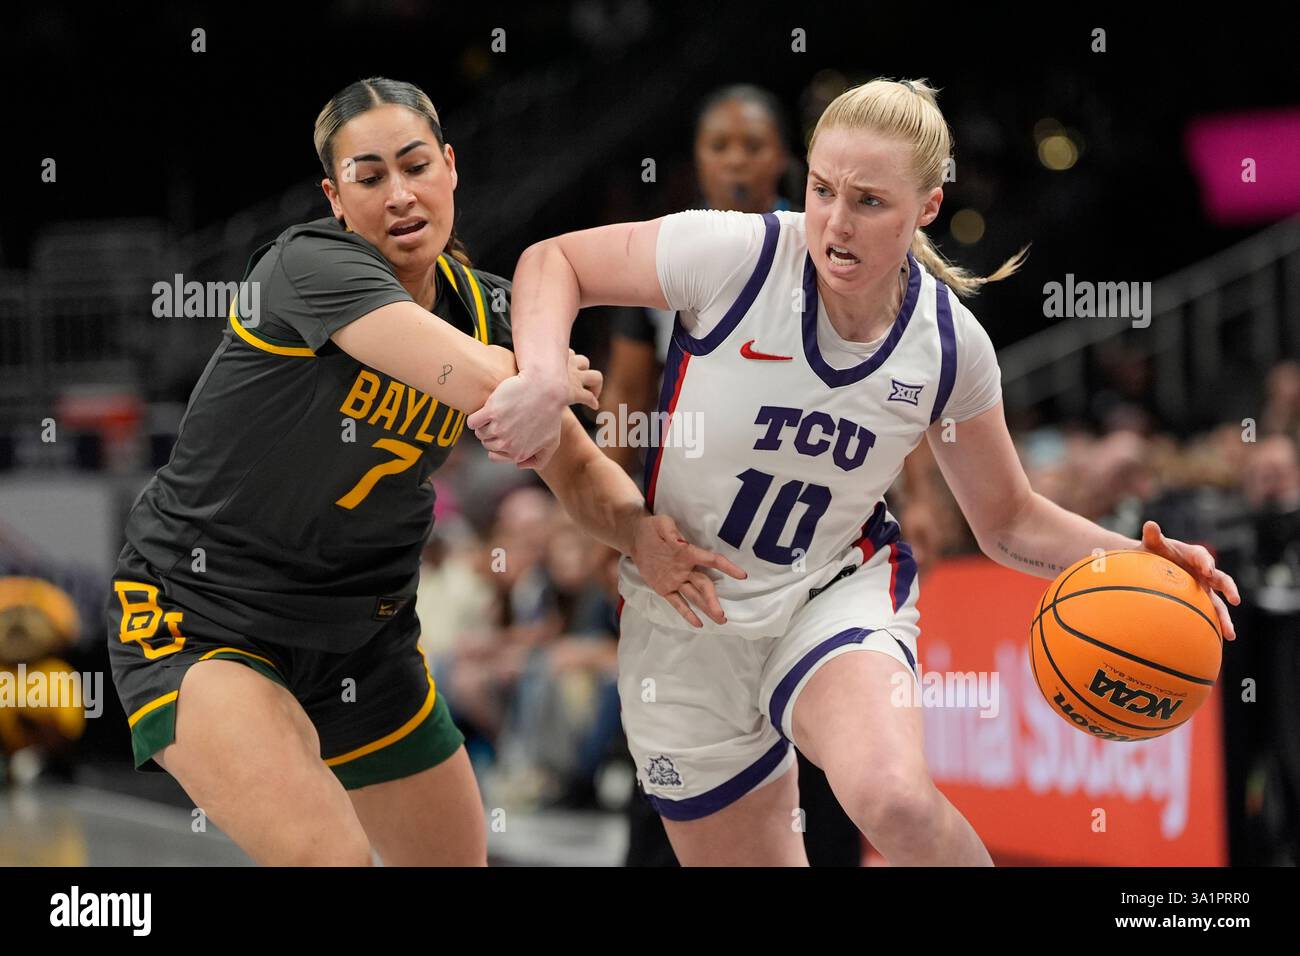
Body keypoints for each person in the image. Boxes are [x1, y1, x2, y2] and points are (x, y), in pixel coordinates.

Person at [468, 77, 1242, 865]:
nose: (835, 223)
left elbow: (1007, 522)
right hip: (686, 612)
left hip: (829, 590)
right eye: (822, 190)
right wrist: (538, 376)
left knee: (894, 800)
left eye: (869, 201)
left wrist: (1136, 560)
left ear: (928, 207)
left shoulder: (950, 346)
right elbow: (552, 260)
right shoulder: (736, 253)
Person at [106, 77, 740, 866]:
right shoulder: (305, 266)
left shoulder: (495, 310)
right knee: (326, 857)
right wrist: (539, 375)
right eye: (370, 178)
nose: (399, 194)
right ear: (336, 199)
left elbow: (578, 473)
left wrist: (640, 533)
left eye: (415, 167)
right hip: (204, 616)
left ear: (449, 168)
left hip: (363, 640)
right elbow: (472, 379)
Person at [600, 83, 861, 865]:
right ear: (700, 162)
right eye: (721, 146)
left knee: (819, 743)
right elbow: (626, 394)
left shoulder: (834, 253)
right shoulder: (669, 257)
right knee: (679, 741)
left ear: (784, 157)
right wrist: (599, 507)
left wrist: (915, 494)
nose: (739, 161)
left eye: (754, 145)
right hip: (690, 537)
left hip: (811, 533)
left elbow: (883, 386)